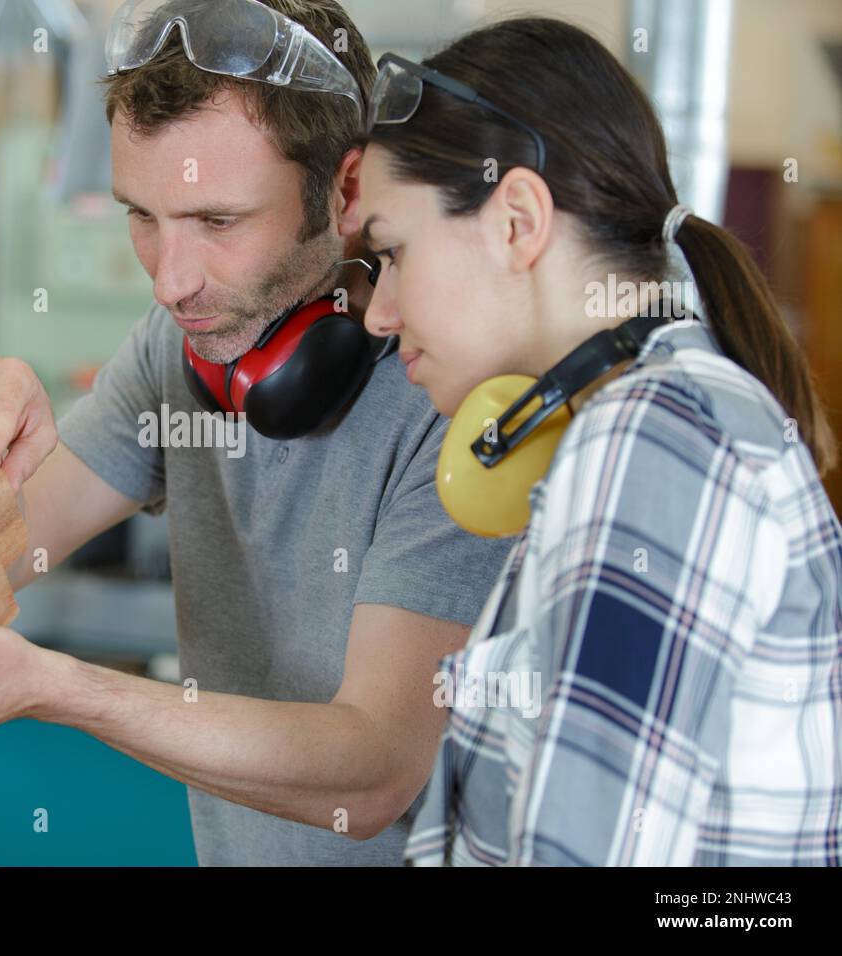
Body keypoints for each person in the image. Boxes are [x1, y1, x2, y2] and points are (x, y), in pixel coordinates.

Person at [0, 0, 513, 866]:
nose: (171, 281)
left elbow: (375, 770)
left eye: (217, 222)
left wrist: (60, 689)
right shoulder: (185, 346)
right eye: (142, 216)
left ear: (346, 189)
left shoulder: (458, 392)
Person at [357, 17, 842, 865]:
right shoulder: (657, 421)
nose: (377, 311)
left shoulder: (649, 443)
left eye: (392, 252)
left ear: (516, 220)